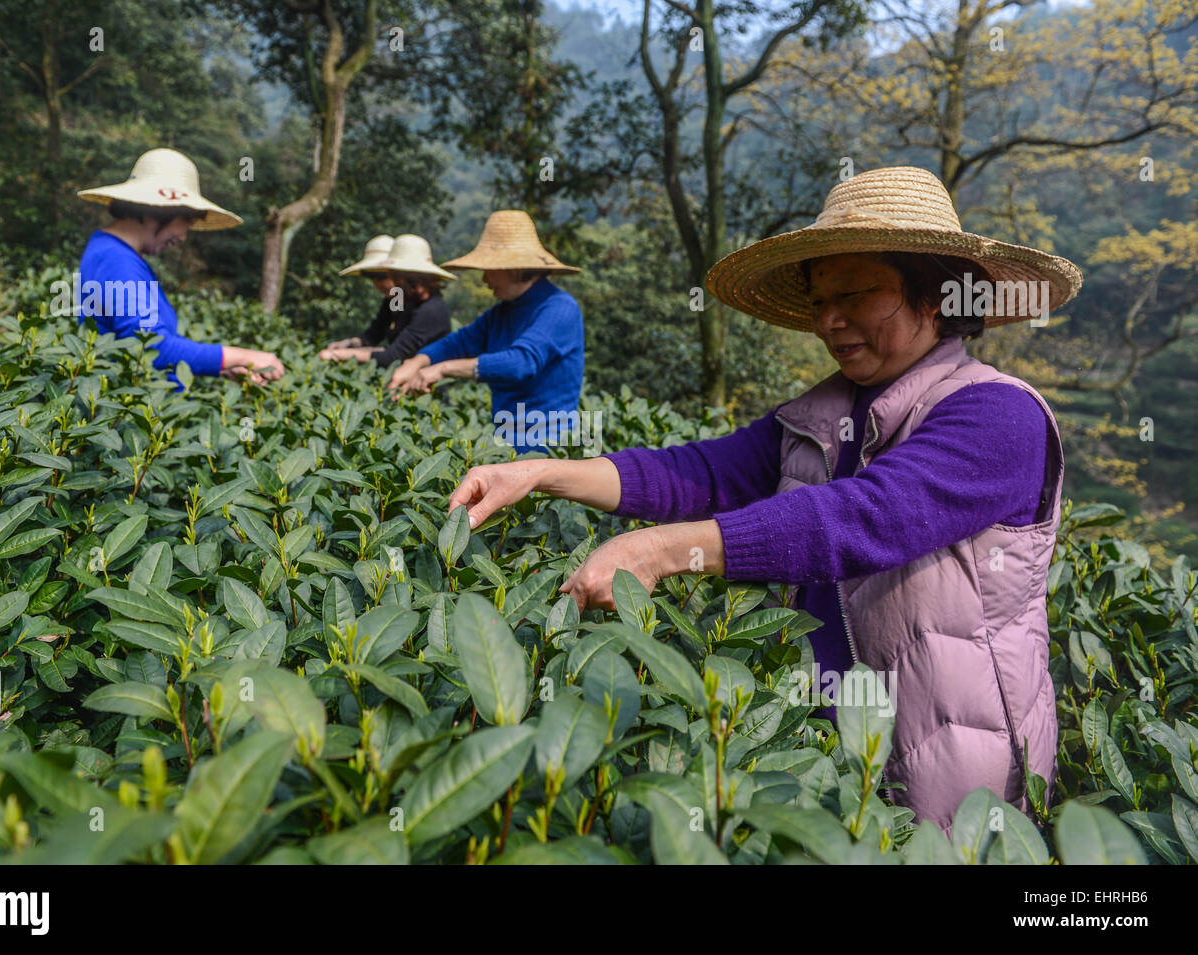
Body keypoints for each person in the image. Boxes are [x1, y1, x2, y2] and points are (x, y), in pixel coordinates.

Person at [440, 167, 1083, 837]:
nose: (830, 321)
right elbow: (698, 472)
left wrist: (660, 550)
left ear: (933, 295)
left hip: (953, 780)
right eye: (819, 300)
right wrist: (542, 472)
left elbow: (863, 517)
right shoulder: (820, 413)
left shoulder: (999, 415)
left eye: (857, 294)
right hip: (821, 757)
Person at [75, 147, 284, 385]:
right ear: (159, 210)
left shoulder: (112, 251)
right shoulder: (116, 260)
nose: (184, 236)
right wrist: (243, 355)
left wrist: (223, 368)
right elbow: (151, 348)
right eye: (187, 221)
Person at [388, 210, 583, 455]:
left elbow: (521, 363)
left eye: (489, 269)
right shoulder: (503, 312)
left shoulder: (560, 308)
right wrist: (416, 362)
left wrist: (442, 369)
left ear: (512, 267)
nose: (484, 279)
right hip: (505, 444)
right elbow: (459, 342)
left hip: (547, 449)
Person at [321, 234, 453, 367]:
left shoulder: (431, 310)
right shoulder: (399, 299)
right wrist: (349, 344)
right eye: (370, 276)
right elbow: (376, 334)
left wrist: (339, 355)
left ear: (412, 279)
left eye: (382, 276)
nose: (377, 284)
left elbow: (393, 356)